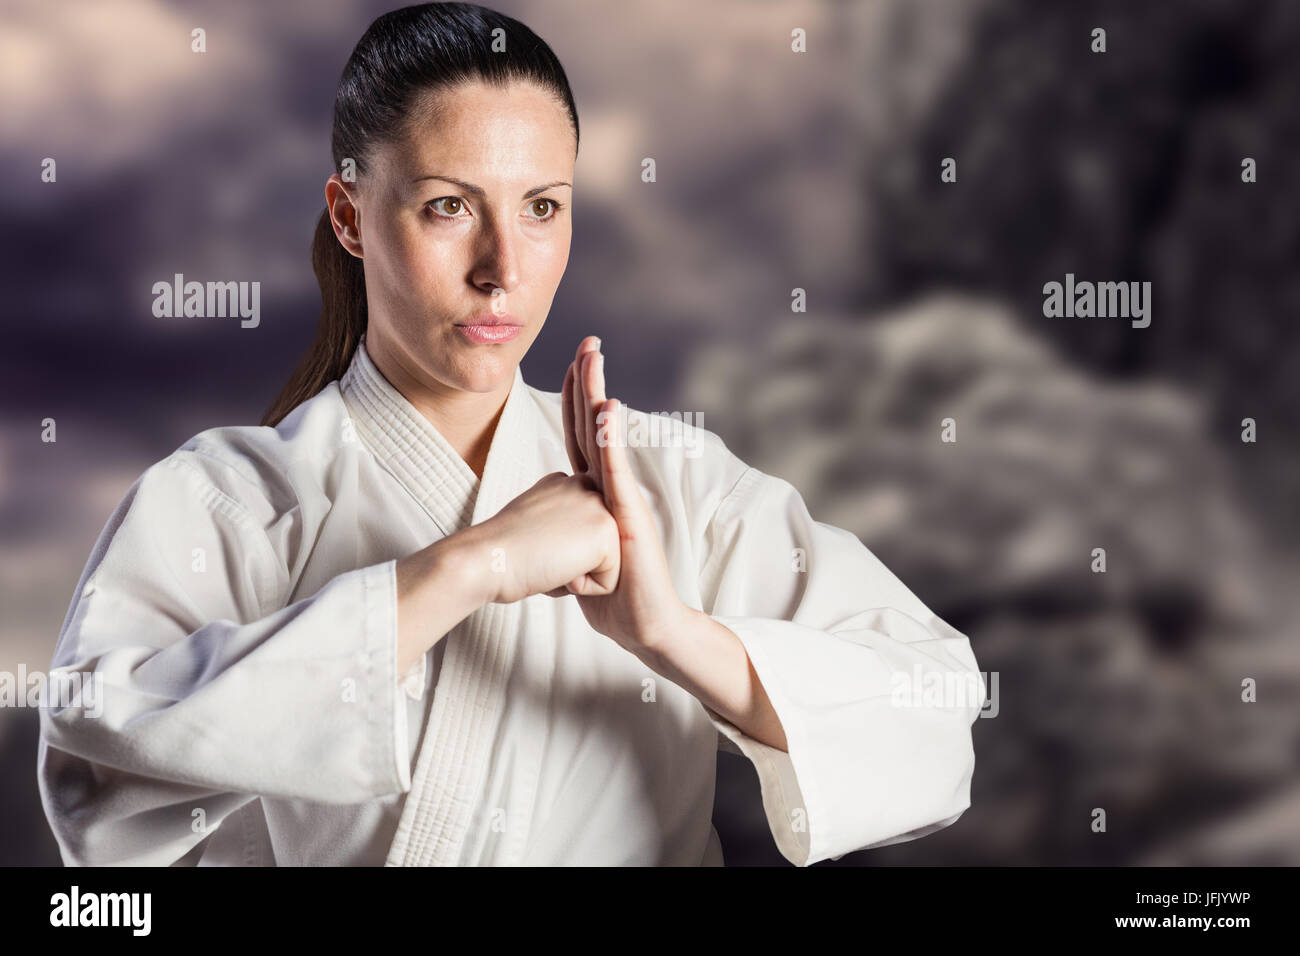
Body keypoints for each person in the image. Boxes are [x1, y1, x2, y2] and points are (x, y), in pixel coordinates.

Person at [37, 1, 983, 867]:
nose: (502, 270)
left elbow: (934, 707)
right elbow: (94, 773)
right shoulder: (233, 499)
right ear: (350, 215)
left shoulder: (670, 488)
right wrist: (467, 568)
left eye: (542, 208)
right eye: (449, 206)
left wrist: (674, 635)